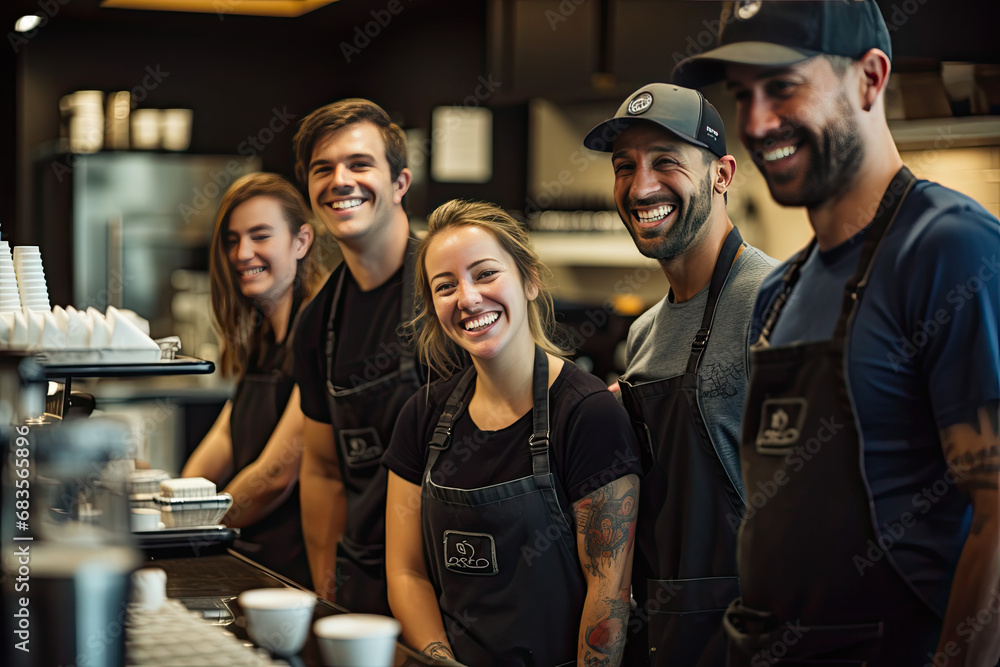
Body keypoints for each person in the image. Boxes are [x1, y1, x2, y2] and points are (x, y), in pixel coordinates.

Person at [674, 2, 1000, 665]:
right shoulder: (780, 289)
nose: (757, 122)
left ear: (871, 79)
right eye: (743, 95)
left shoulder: (948, 250)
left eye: (784, 87)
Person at [383, 199, 642, 666]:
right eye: (446, 286)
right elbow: (406, 572)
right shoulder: (421, 415)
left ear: (529, 279)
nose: (468, 298)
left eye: (484, 274)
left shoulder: (586, 414)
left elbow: (610, 592)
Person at [582, 83, 777, 666]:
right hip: (663, 627)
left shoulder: (775, 303)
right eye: (625, 167)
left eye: (666, 161)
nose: (641, 187)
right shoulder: (642, 334)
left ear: (722, 174)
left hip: (756, 630)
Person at [290, 98, 421, 613]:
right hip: (368, 579)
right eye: (323, 169)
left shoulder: (454, 293)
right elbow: (322, 470)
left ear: (400, 183)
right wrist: (329, 600)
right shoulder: (317, 323)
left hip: (466, 577)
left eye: (360, 164)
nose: (340, 180)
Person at [182, 172, 320, 587]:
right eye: (232, 239)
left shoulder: (315, 332)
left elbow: (276, 475)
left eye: (260, 236)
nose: (242, 252)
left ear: (301, 242)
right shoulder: (261, 336)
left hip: (289, 576)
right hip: (246, 556)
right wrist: (178, 503)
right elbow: (225, 436)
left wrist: (201, 525)